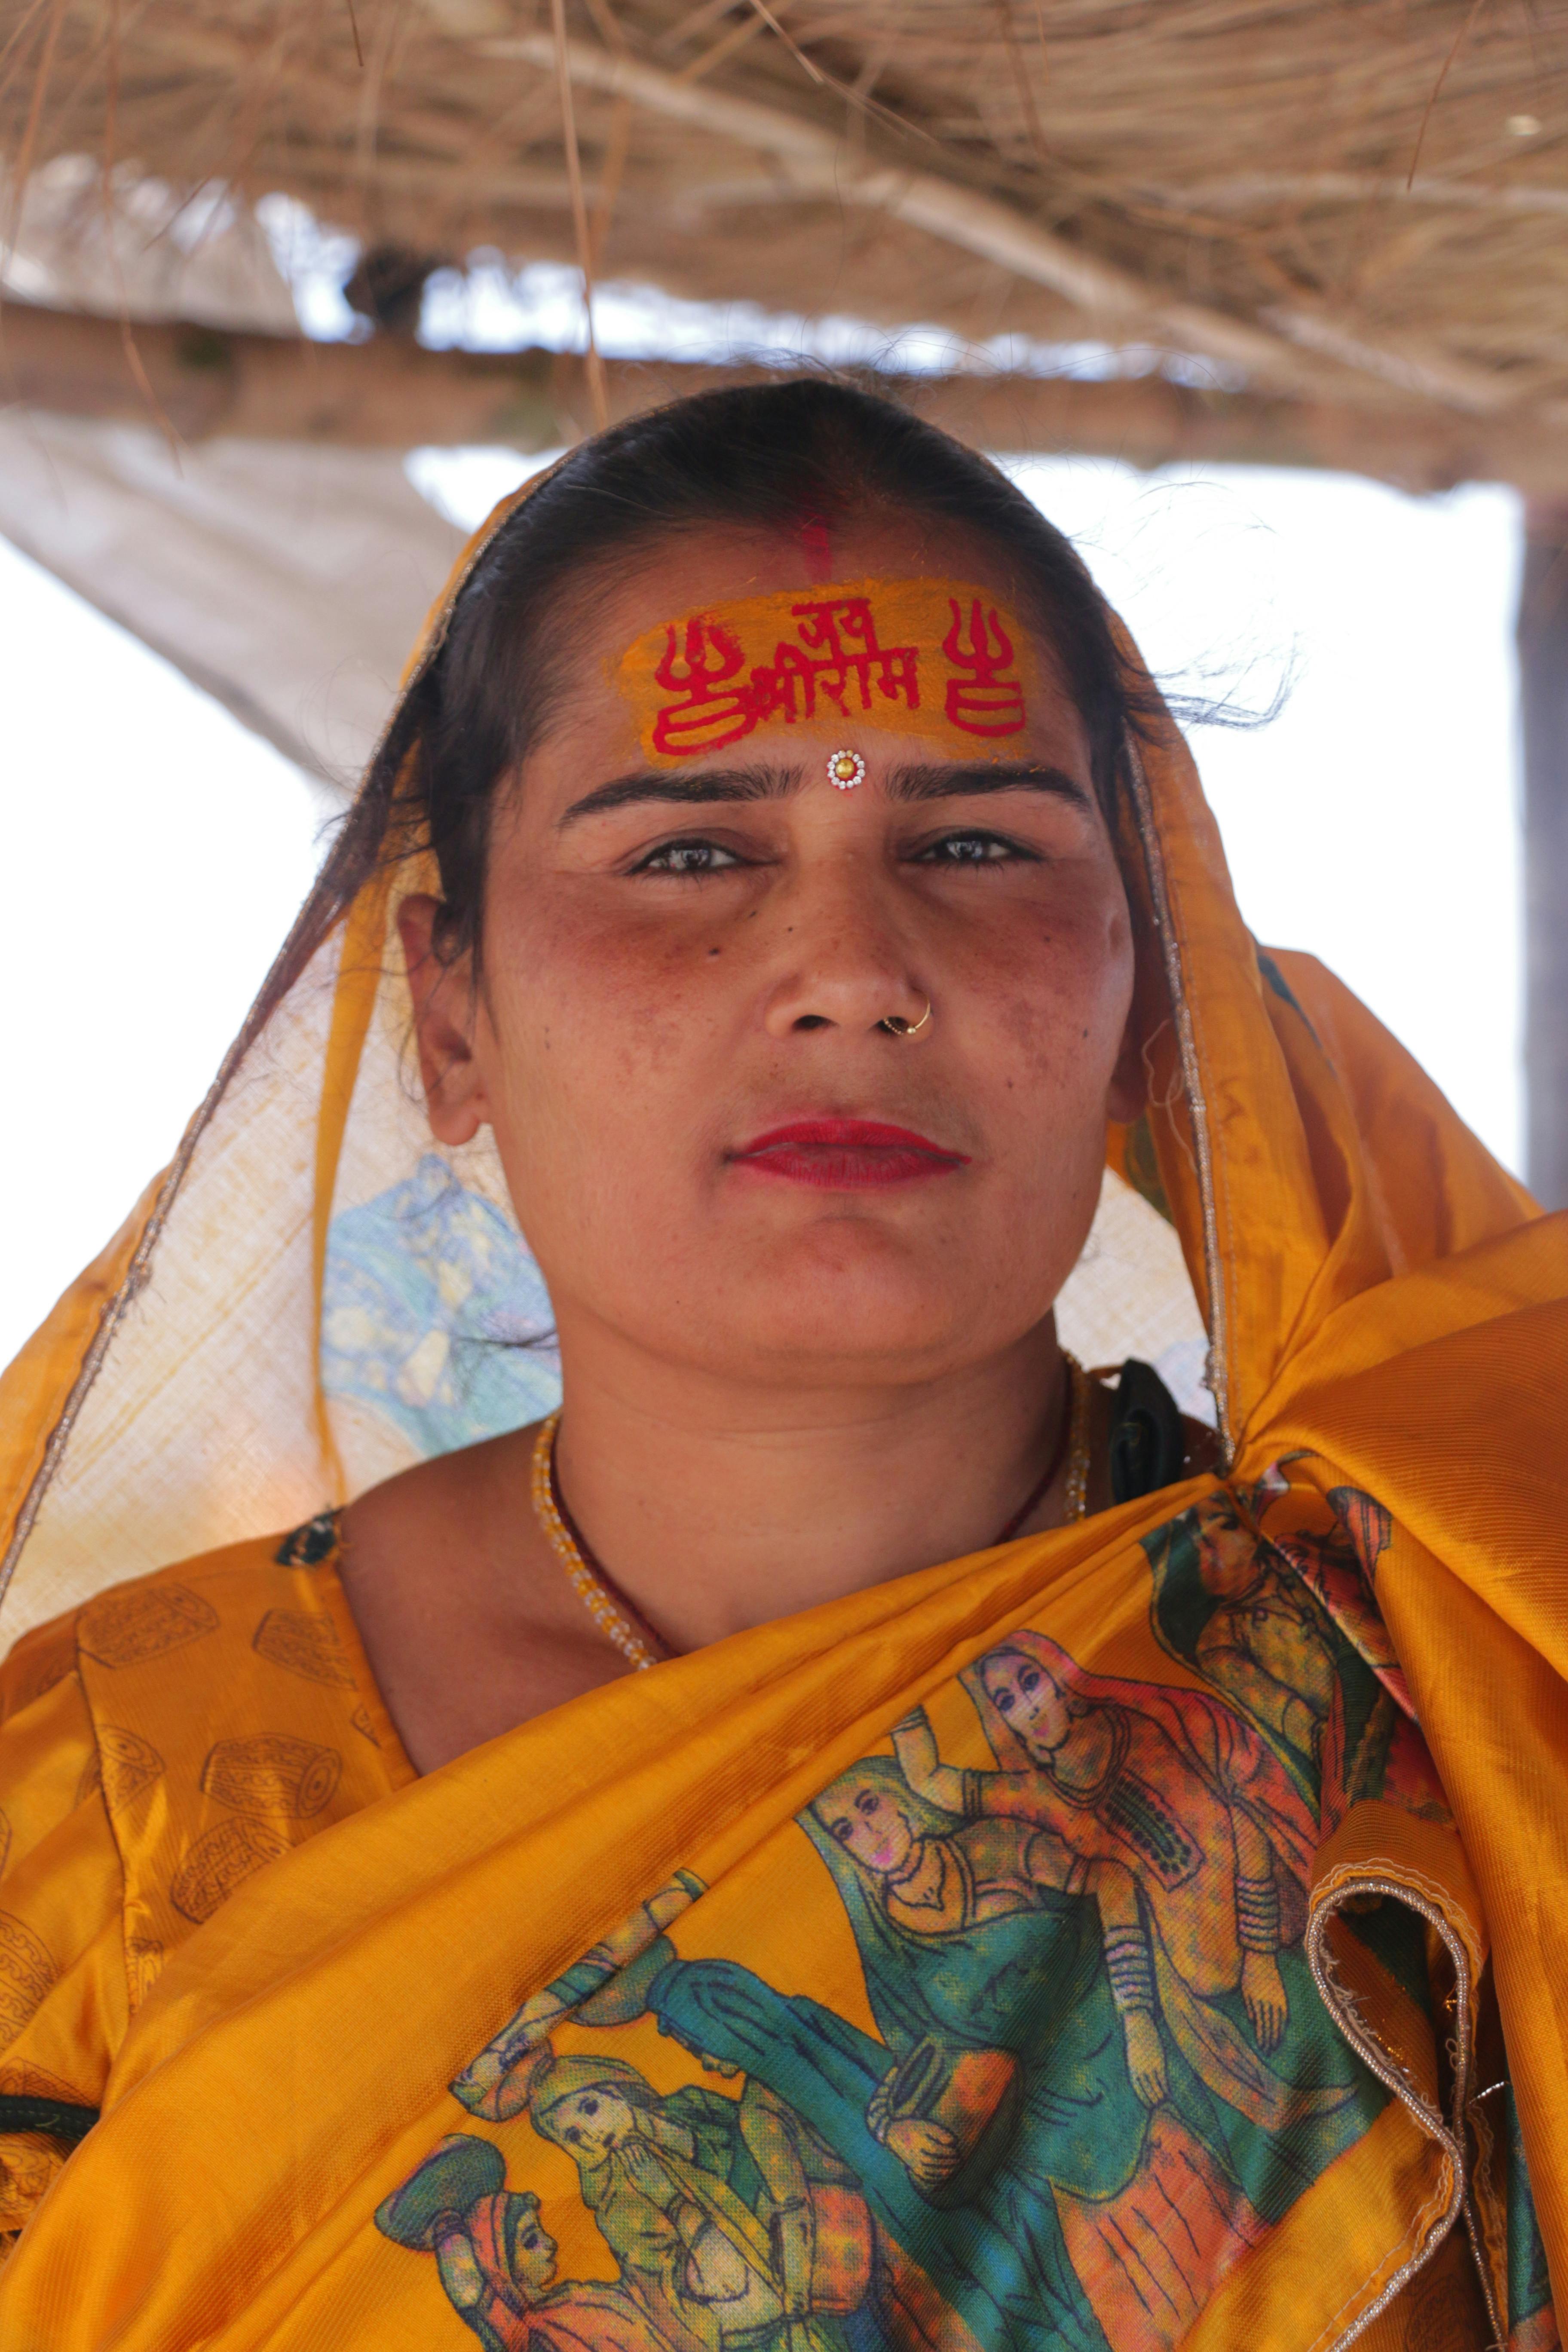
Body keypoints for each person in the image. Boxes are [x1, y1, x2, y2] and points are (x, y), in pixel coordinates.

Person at [0, 380, 1558, 2352]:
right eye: (683, 857)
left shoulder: (1444, 1692)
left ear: (1142, 993)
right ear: (451, 1018)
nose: (854, 968)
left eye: (980, 842)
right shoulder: (93, 1808)